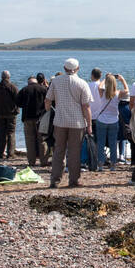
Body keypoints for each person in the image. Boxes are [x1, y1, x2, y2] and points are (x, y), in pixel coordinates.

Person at [45, 58, 94, 188]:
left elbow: (48, 100)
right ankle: (73, 180)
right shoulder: (82, 83)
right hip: (77, 123)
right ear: (77, 68)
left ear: (64, 68)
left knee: (58, 151)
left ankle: (55, 180)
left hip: (60, 121)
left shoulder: (55, 81)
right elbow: (86, 106)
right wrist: (89, 125)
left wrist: (48, 110)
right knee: (74, 152)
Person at [91, 73, 126, 170]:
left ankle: (100, 164)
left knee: (101, 143)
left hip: (101, 120)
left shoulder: (102, 92)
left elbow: (99, 86)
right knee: (113, 143)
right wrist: (122, 80)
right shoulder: (118, 93)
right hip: (114, 121)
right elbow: (127, 90)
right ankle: (113, 164)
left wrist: (105, 78)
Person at [18, 72, 50, 167]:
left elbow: (18, 103)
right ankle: (43, 161)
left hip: (27, 118)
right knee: (42, 140)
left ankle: (31, 162)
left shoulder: (24, 90)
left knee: (30, 141)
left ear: (28, 82)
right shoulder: (43, 89)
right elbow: (49, 101)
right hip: (40, 118)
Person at [0, 70, 19, 160]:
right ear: (9, 77)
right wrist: (16, 110)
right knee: (11, 133)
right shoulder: (12, 87)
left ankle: (0, 153)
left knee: (2, 133)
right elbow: (17, 99)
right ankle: (10, 154)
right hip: (11, 113)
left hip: (0, 113)